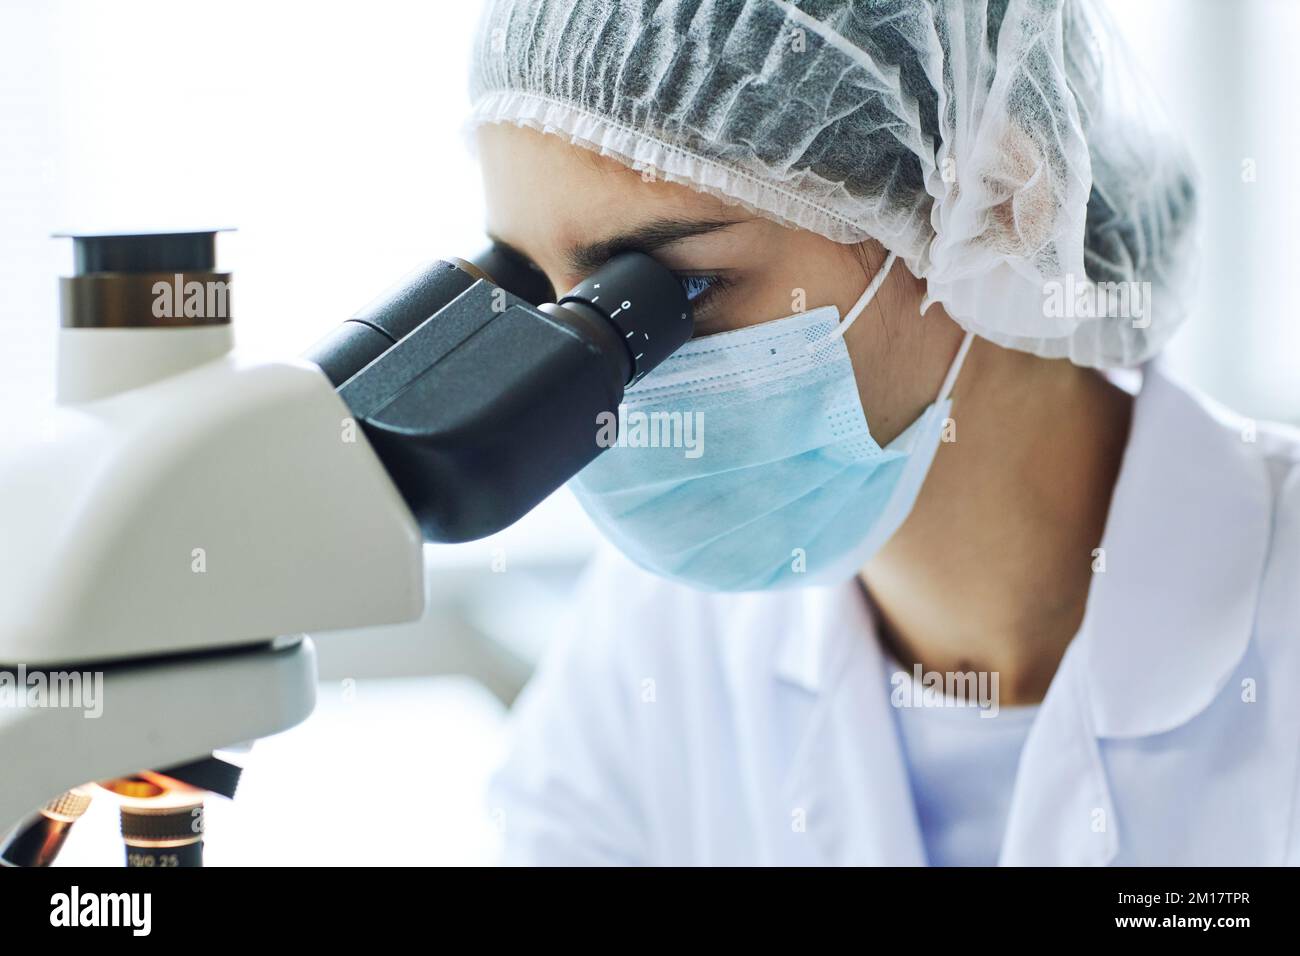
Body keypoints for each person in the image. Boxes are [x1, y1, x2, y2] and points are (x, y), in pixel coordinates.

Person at [465, 0, 1300, 865]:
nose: (601, 380)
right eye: (537, 291)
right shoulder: (653, 642)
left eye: (673, 288)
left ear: (1002, 199)